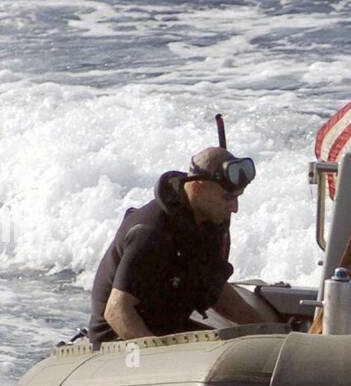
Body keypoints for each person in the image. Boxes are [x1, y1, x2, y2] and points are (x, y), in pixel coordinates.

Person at [88, 147, 263, 349]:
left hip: (168, 328)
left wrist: (270, 330)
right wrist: (161, 358)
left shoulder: (209, 224)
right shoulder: (152, 231)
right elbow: (117, 311)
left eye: (238, 197)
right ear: (197, 188)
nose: (235, 208)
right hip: (118, 339)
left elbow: (215, 290)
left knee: (239, 351)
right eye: (227, 198)